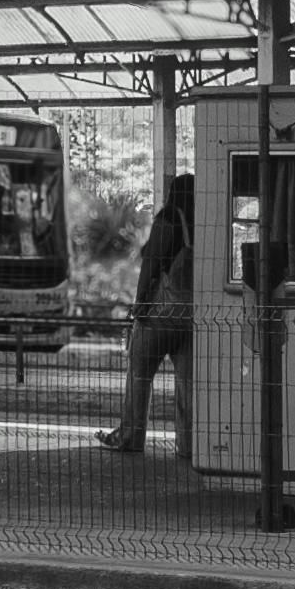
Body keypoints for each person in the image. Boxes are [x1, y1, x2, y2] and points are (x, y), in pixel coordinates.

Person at [99, 172, 194, 464]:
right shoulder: (200, 224)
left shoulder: (167, 221)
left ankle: (131, 436)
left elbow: (151, 267)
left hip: (159, 314)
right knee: (187, 382)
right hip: (189, 314)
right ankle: (188, 444)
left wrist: (140, 305)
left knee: (139, 375)